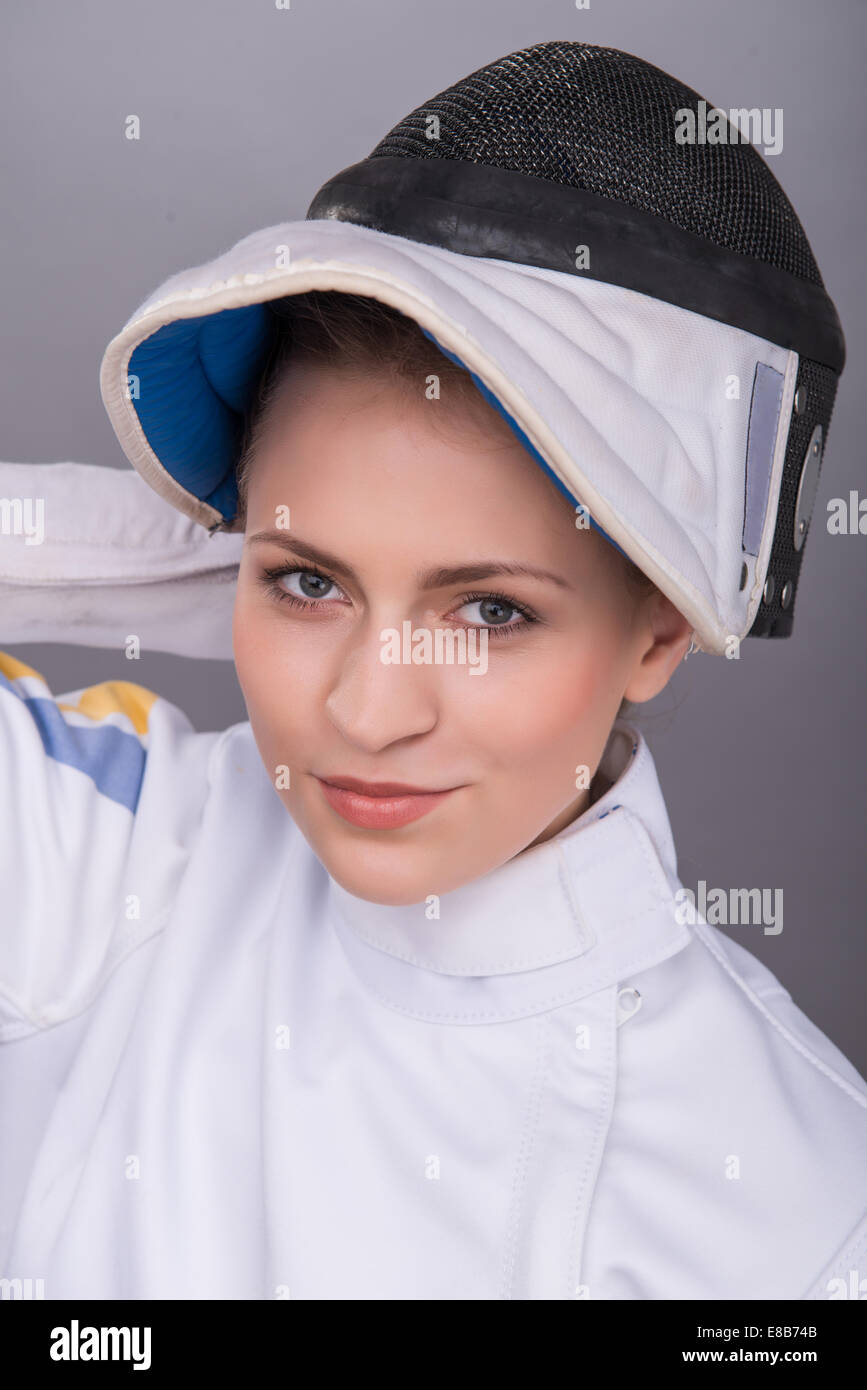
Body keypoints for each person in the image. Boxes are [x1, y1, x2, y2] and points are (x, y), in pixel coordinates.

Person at [1, 39, 865, 1302]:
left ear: (664, 625)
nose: (363, 708)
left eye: (491, 611)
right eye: (306, 582)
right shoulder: (121, 862)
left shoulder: (805, 1217)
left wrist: (316, 569)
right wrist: (143, 550)